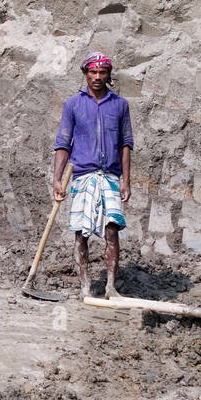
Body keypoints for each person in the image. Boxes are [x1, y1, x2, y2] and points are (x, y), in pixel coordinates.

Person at [53, 52, 133, 299]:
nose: (97, 77)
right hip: (82, 175)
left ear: (108, 75)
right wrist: (57, 178)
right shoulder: (73, 105)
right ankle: (85, 286)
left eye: (102, 72)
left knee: (111, 229)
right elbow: (63, 143)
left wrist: (126, 181)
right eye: (93, 72)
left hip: (109, 175)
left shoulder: (119, 105)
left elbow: (126, 145)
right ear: (85, 74)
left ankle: (110, 286)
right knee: (81, 231)